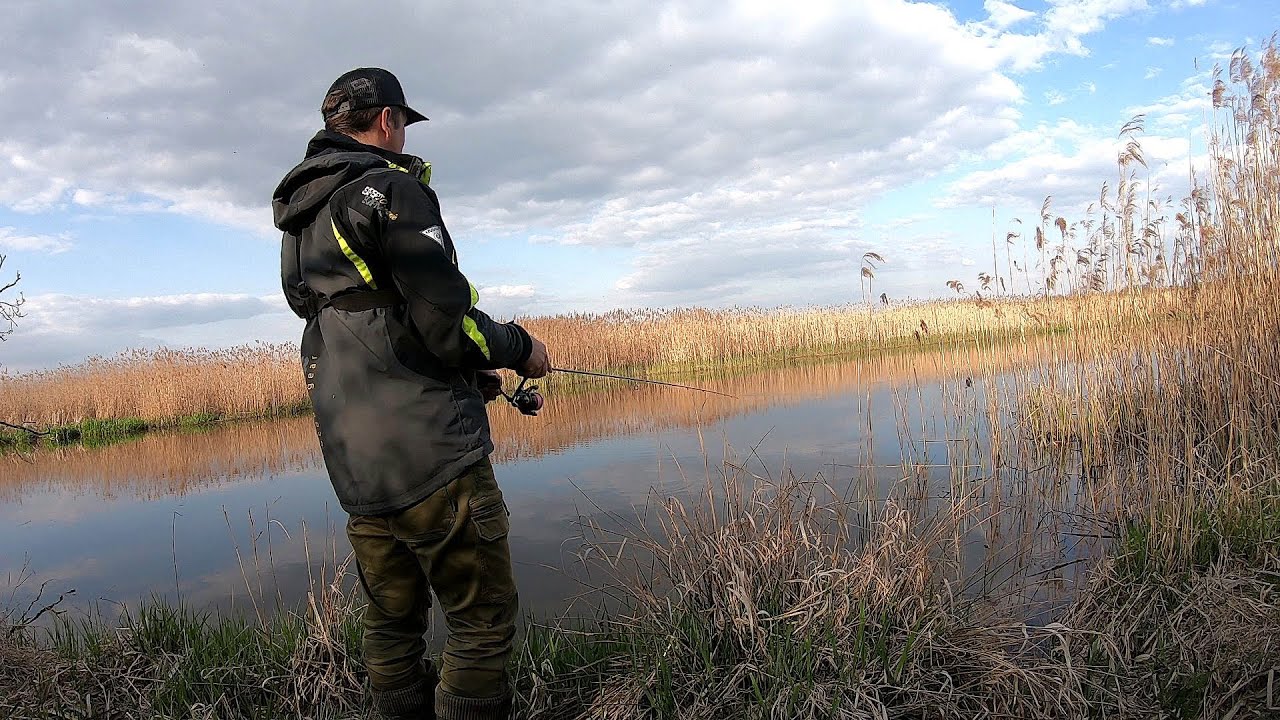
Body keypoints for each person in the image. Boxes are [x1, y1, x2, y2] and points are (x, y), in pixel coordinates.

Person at [272, 67, 548, 720]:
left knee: (391, 621)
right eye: (402, 123)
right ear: (388, 121)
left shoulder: (300, 221)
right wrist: (519, 349)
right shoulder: (390, 190)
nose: (402, 136)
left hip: (356, 462)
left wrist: (464, 376)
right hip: (433, 457)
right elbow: (447, 324)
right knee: (481, 619)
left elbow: (353, 316)